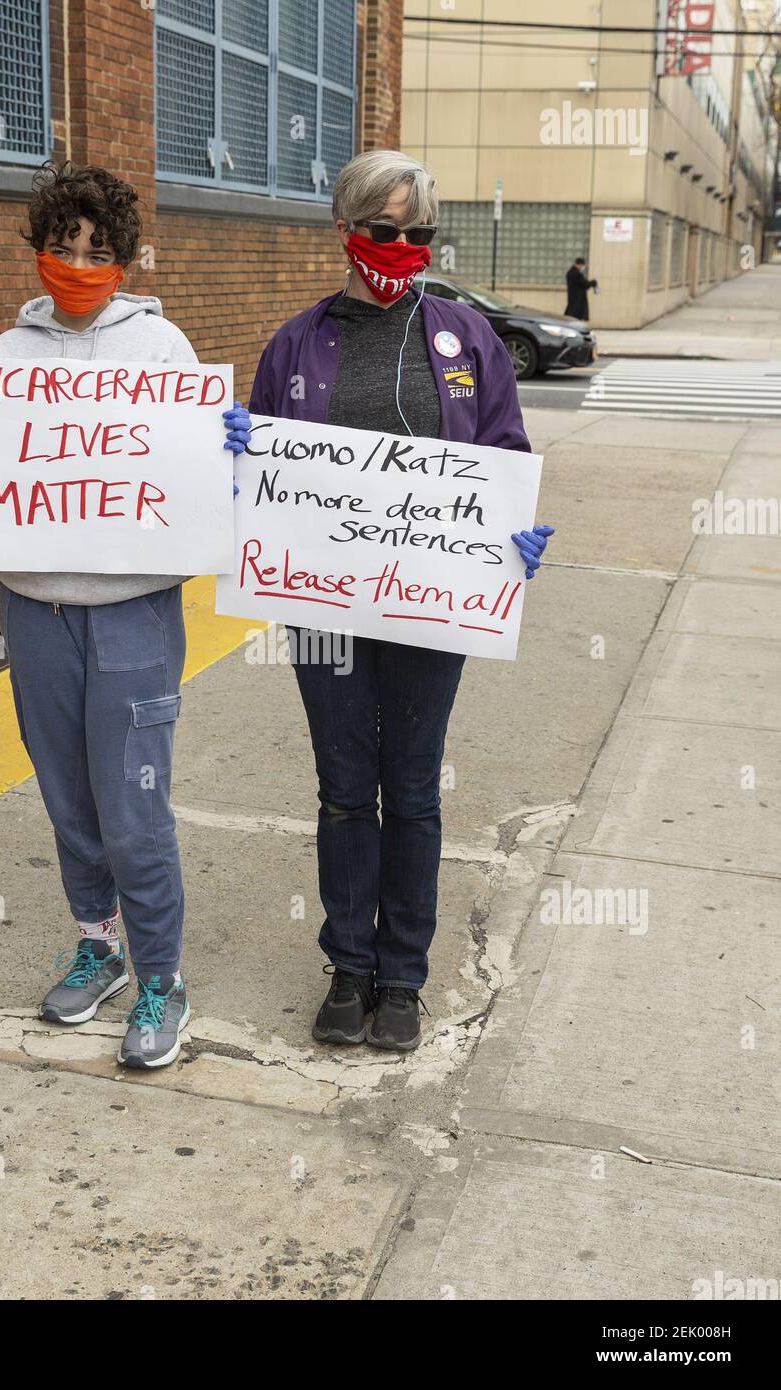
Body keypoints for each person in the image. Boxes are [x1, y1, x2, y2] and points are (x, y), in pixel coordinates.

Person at [0, 160, 251, 1069]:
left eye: (97, 250)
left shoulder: (162, 355)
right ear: (40, 251)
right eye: (62, 246)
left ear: (125, 257)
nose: (79, 263)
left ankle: (162, 979)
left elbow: (196, 478)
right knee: (67, 801)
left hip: (134, 613)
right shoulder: (3, 360)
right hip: (33, 610)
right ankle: (101, 945)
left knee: (136, 811)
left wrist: (232, 450)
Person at [249, 149, 555, 1052]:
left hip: (433, 598)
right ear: (345, 230)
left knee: (413, 789)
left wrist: (515, 534)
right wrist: (234, 451)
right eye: (385, 230)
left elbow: (503, 449)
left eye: (419, 233)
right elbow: (260, 469)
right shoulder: (295, 345)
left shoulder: (467, 337)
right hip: (324, 607)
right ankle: (349, 965)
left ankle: (404, 978)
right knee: (346, 788)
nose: (402, 247)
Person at [565, 256, 597, 320]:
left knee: (571, 314)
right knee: (576, 316)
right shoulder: (577, 274)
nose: (582, 267)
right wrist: (592, 283)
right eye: (582, 265)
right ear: (578, 265)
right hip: (578, 298)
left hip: (572, 297)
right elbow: (585, 283)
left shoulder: (570, 272)